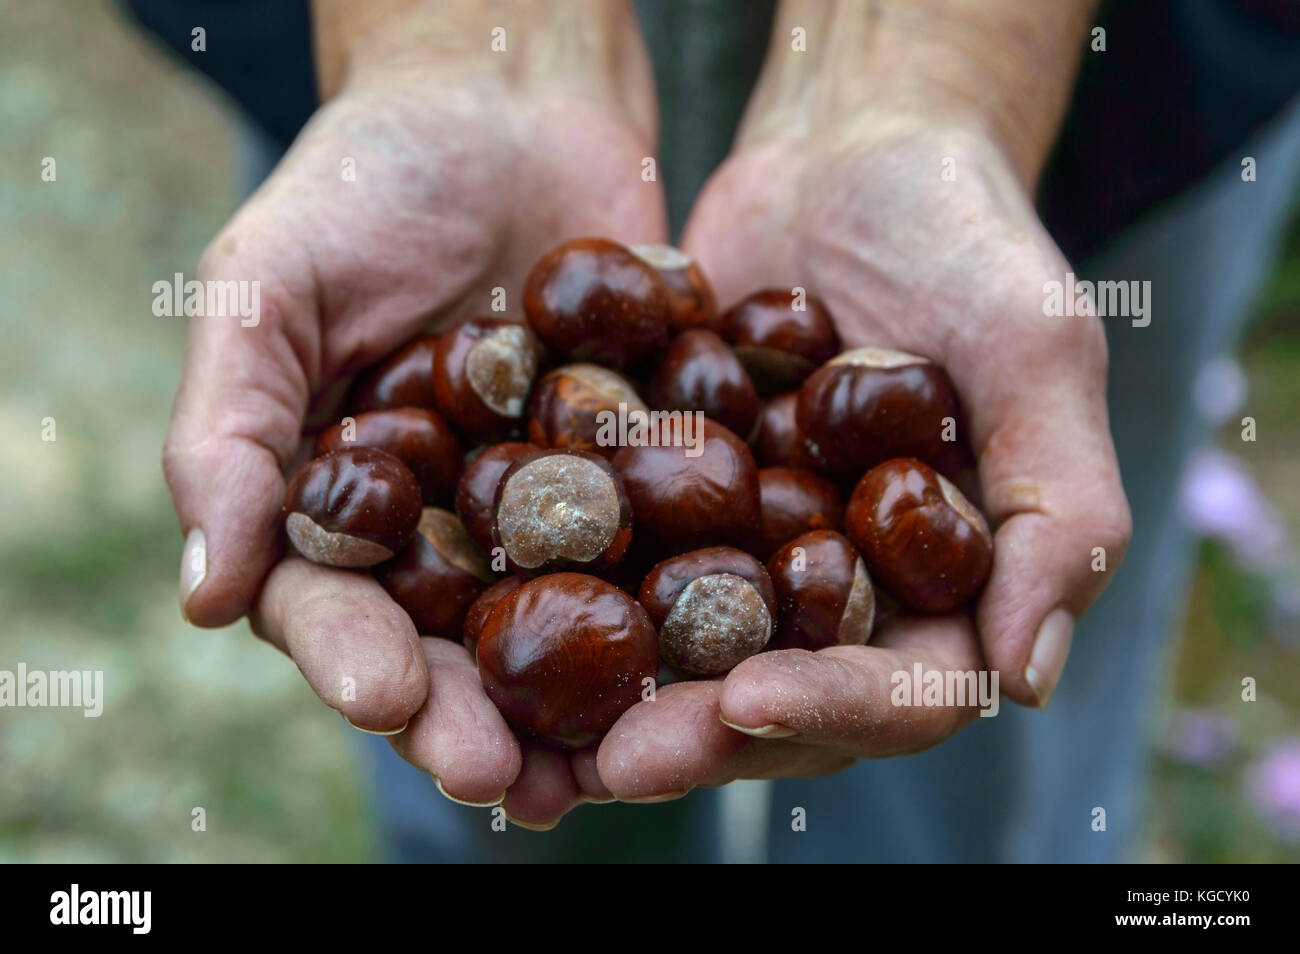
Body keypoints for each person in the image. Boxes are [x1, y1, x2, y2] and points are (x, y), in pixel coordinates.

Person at [144, 0, 1300, 861]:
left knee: (965, 808)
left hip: (1097, 96)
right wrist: (457, 50)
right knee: (498, 807)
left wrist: (934, 85)